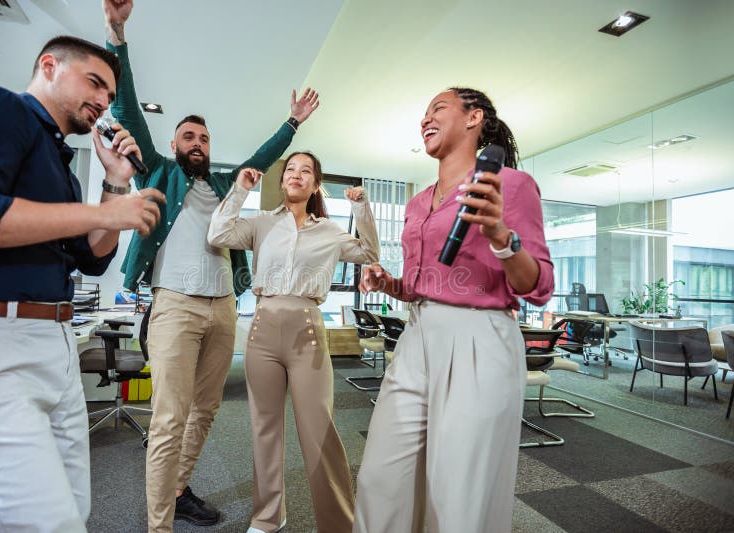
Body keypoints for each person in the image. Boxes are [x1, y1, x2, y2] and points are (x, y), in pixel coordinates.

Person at [101, 1, 321, 530]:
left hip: (223, 309)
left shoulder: (224, 186)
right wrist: (117, 34)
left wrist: (292, 123)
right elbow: (128, 109)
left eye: (203, 138)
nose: (197, 144)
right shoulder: (157, 173)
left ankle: (179, 491)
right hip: (174, 307)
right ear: (174, 144)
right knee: (169, 418)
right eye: (189, 137)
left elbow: (261, 160)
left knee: (206, 411)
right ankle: (158, 525)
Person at [0, 35, 165, 532]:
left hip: (55, 345)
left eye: (110, 94)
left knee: (73, 510)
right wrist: (104, 214)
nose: (103, 101)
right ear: (49, 65)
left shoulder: (62, 168)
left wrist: (116, 182)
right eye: (95, 83)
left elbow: (93, 258)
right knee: (41, 523)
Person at [353, 87, 555, 532]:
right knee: (380, 480)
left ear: (473, 117)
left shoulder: (511, 185)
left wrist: (500, 235)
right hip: (416, 338)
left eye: (438, 109)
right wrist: (388, 282)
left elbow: (539, 286)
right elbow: (419, 287)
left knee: (457, 495)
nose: (425, 118)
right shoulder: (417, 202)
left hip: (479, 341)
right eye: (424, 113)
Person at [208, 152, 379, 533]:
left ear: (316, 184)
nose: (296, 175)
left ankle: (339, 524)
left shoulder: (329, 231)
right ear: (283, 179)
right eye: (290, 169)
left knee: (319, 430)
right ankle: (269, 516)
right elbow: (218, 234)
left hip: (307, 330)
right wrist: (240, 190)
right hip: (263, 329)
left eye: (306, 171)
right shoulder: (262, 222)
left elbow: (369, 252)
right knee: (264, 428)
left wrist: (362, 208)